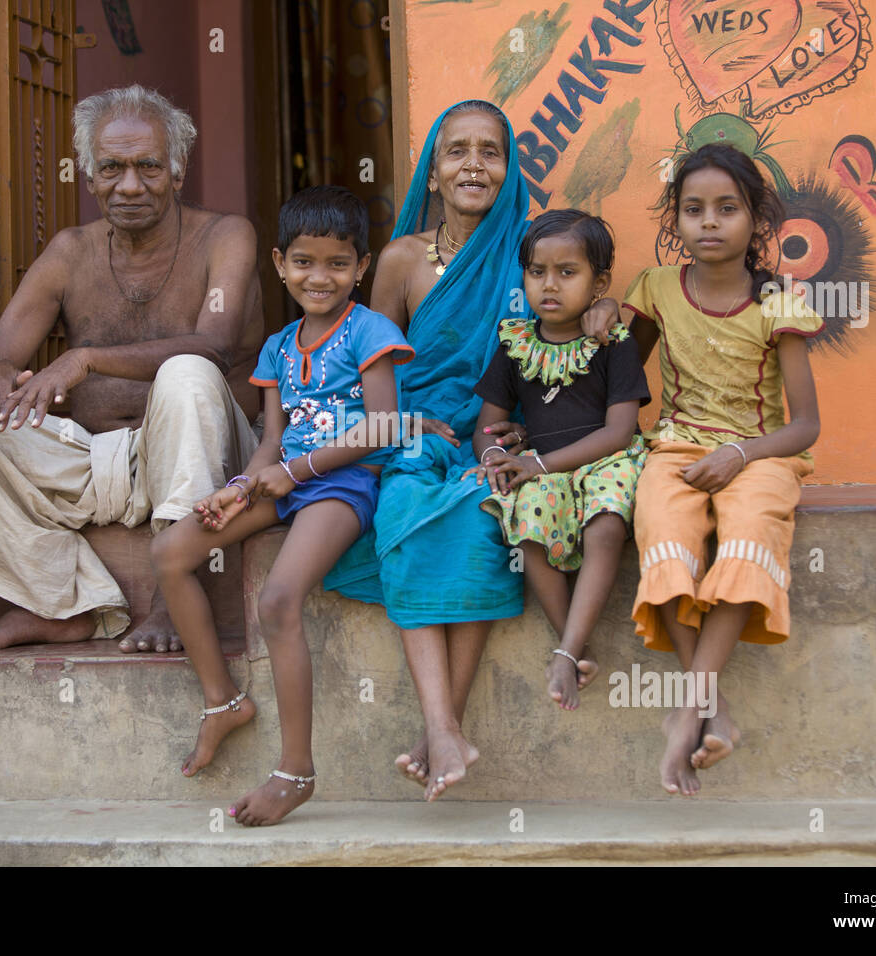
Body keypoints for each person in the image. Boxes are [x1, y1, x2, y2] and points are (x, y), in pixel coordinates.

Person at [325, 100, 617, 800]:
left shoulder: (533, 254)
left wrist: (611, 312)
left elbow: (585, 317)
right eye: (456, 150)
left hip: (501, 440)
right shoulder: (399, 261)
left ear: (511, 167)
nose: (474, 165)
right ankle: (443, 726)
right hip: (418, 439)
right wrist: (405, 426)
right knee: (404, 509)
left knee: (482, 520)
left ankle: (438, 731)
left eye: (491, 151)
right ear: (432, 169)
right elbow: (375, 365)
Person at [0, 84, 263, 654]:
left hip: (204, 462)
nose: (129, 186)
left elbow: (214, 347)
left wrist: (83, 359)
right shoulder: (71, 251)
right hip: (85, 461)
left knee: (185, 373)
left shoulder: (225, 236)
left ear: (178, 173)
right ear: (88, 177)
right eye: (111, 168)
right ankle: (59, 601)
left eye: (148, 167)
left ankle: (171, 593)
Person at [148, 186, 414, 826]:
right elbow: (271, 438)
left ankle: (296, 770)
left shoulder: (371, 331)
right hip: (288, 477)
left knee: (277, 600)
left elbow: (384, 426)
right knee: (172, 550)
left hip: (344, 485)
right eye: (303, 262)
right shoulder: (276, 347)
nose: (319, 277)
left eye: (336, 264)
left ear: (362, 265)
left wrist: (296, 472)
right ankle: (222, 701)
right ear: (278, 262)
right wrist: (240, 487)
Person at [623, 143, 823, 796]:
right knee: (664, 534)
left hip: (760, 451)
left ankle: (690, 709)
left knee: (746, 539)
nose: (709, 222)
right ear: (675, 221)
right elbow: (623, 377)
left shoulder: (778, 306)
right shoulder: (655, 290)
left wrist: (741, 453)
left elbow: (805, 426)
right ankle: (715, 710)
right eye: (693, 209)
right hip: (677, 449)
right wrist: (601, 322)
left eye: (727, 209)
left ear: (758, 223)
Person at [466, 209, 650, 711]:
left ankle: (565, 653)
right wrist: (498, 459)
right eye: (537, 272)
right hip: (543, 465)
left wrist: (540, 466)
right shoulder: (515, 342)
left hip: (607, 460)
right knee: (525, 523)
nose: (550, 285)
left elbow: (620, 432)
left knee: (606, 525)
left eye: (567, 273)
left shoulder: (614, 342)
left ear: (599, 282)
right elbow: (488, 426)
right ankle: (574, 646)